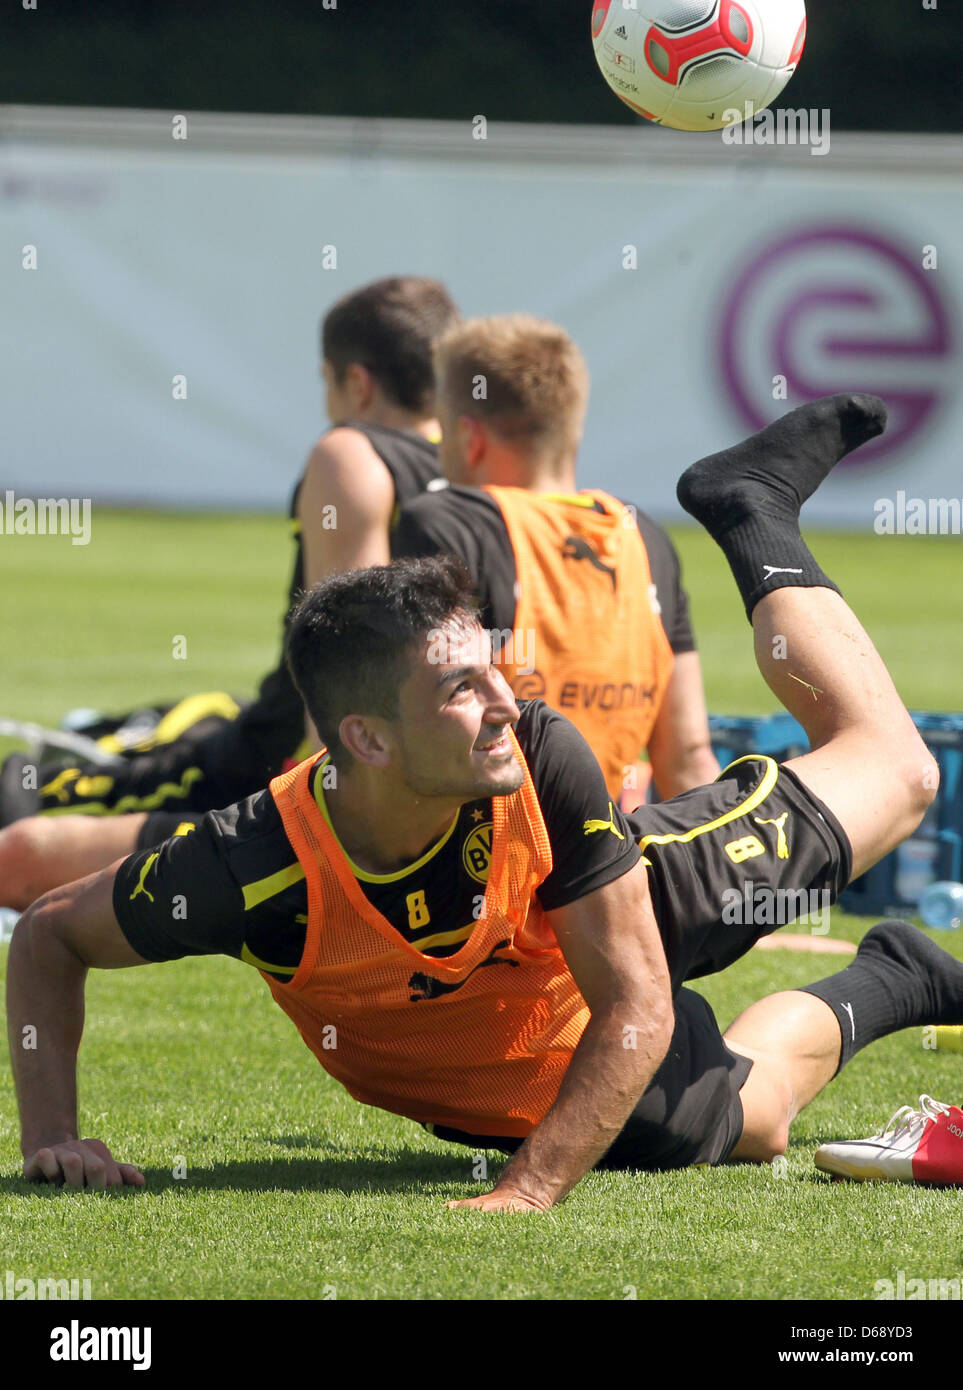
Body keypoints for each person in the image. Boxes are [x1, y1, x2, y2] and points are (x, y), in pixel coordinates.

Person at [10, 395, 963, 1209]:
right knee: (755, 1122)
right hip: (521, 1052)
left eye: (493, 667)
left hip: (613, 902)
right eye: (461, 687)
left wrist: (529, 1190)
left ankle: (751, 509)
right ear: (367, 740)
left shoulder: (540, 751)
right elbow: (51, 934)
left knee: (898, 770)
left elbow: (632, 999)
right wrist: (54, 1135)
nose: (506, 699)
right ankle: (901, 978)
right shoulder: (256, 863)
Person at [0, 275, 457, 905]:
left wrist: (333, 840)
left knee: (35, 790)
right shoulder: (478, 463)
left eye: (325, 381)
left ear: (357, 382)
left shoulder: (353, 455)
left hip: (277, 766)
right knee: (192, 716)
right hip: (416, 766)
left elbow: (347, 673)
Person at [392, 313, 719, 803]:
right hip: (603, 857)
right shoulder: (644, 539)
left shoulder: (444, 523)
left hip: (483, 863)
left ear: (470, 436)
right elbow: (688, 758)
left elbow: (410, 731)